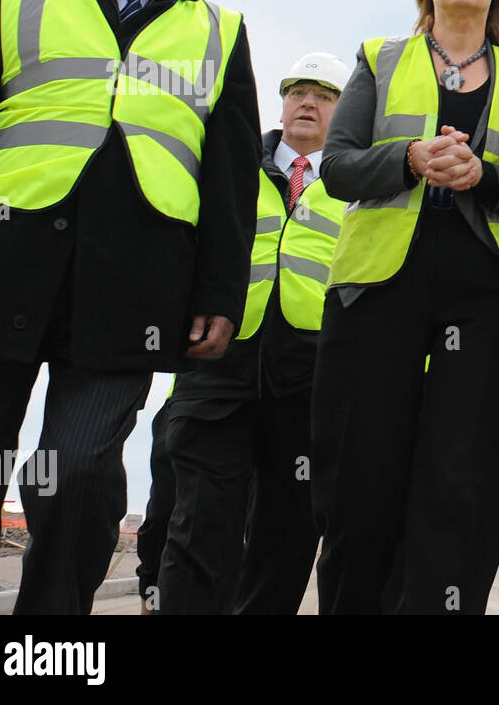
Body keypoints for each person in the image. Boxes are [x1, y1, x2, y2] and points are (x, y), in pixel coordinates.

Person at [0, 0, 259, 615]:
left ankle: (51, 637)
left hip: (134, 283)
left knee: (79, 466)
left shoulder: (220, 31)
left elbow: (228, 178)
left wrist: (220, 292)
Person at [312, 0, 499, 614]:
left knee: (464, 479)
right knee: (363, 471)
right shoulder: (380, 59)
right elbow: (338, 166)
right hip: (379, 289)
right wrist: (412, 158)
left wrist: (482, 177)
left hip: (487, 296)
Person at [140, 52, 350, 615]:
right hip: (218, 366)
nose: (308, 102)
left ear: (345, 109)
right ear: (282, 102)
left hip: (310, 377)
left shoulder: (357, 184)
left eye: (325, 95)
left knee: (286, 536)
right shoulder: (230, 164)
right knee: (197, 521)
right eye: (298, 91)